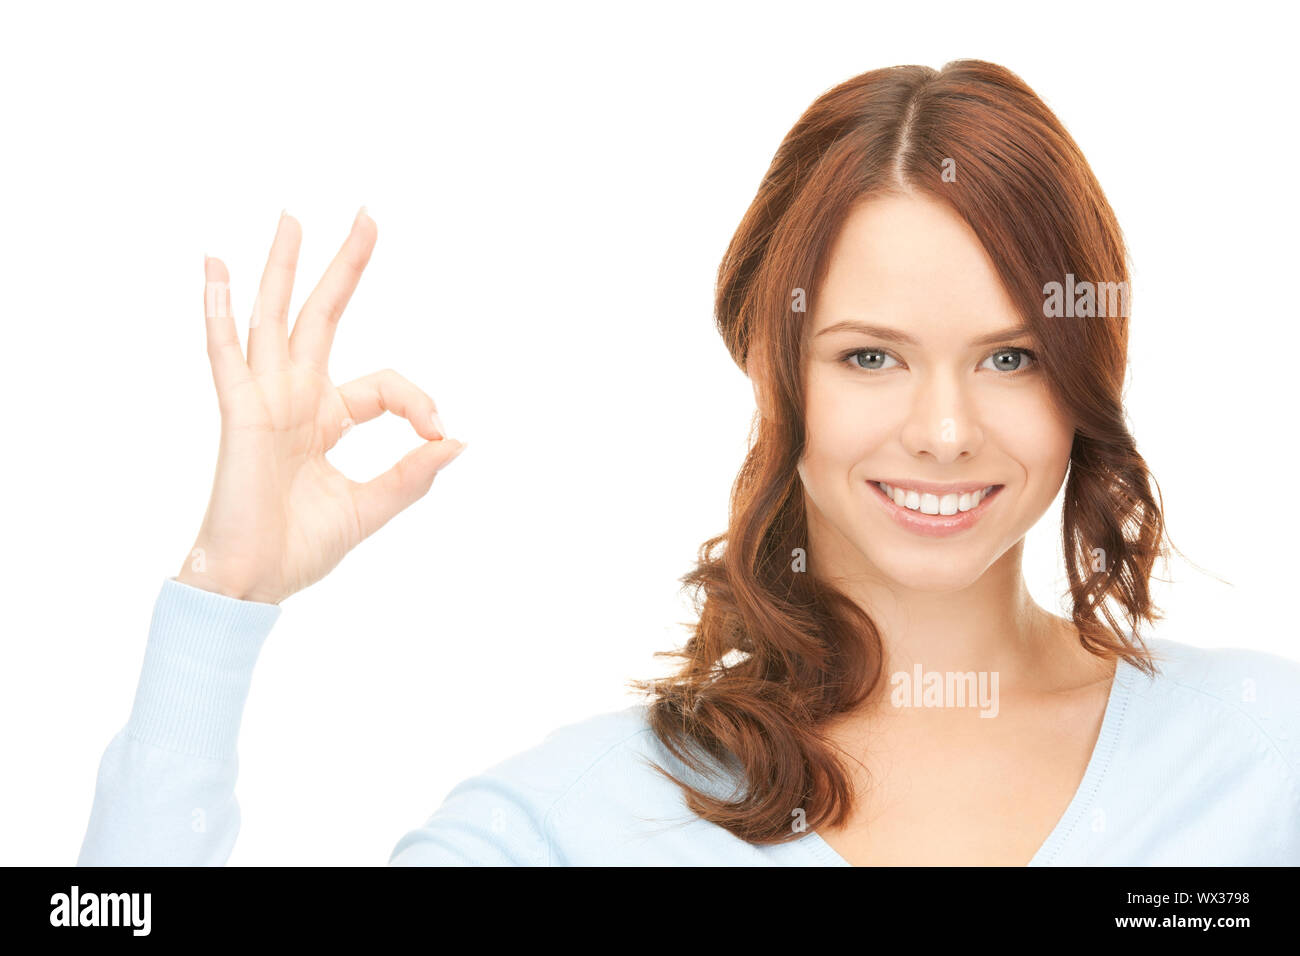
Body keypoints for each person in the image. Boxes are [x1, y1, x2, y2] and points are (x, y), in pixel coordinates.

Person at [78, 59, 1300, 866]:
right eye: (870, 357)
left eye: (1011, 358)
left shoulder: (1260, 759)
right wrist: (219, 597)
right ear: (778, 372)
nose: (942, 428)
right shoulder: (571, 824)